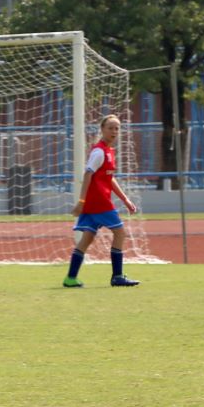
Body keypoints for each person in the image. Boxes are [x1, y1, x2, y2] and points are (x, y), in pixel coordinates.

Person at [62, 114, 139, 288]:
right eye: (110, 127)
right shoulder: (99, 151)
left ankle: (70, 278)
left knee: (87, 238)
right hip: (99, 202)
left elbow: (109, 178)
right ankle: (117, 277)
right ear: (102, 129)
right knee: (120, 233)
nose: (114, 131)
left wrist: (125, 199)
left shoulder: (109, 151)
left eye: (117, 128)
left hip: (94, 203)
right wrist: (81, 201)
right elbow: (88, 174)